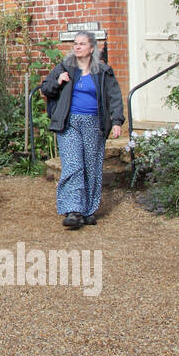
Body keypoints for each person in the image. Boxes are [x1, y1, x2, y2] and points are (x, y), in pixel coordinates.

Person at [40, 29, 125, 229]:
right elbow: (45, 88)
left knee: (91, 166)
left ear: (92, 48)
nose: (77, 46)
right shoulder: (65, 67)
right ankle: (73, 210)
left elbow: (114, 97)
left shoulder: (103, 71)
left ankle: (88, 210)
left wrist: (117, 122)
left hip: (94, 123)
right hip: (69, 122)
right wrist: (58, 81)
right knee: (72, 164)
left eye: (82, 44)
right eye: (75, 44)